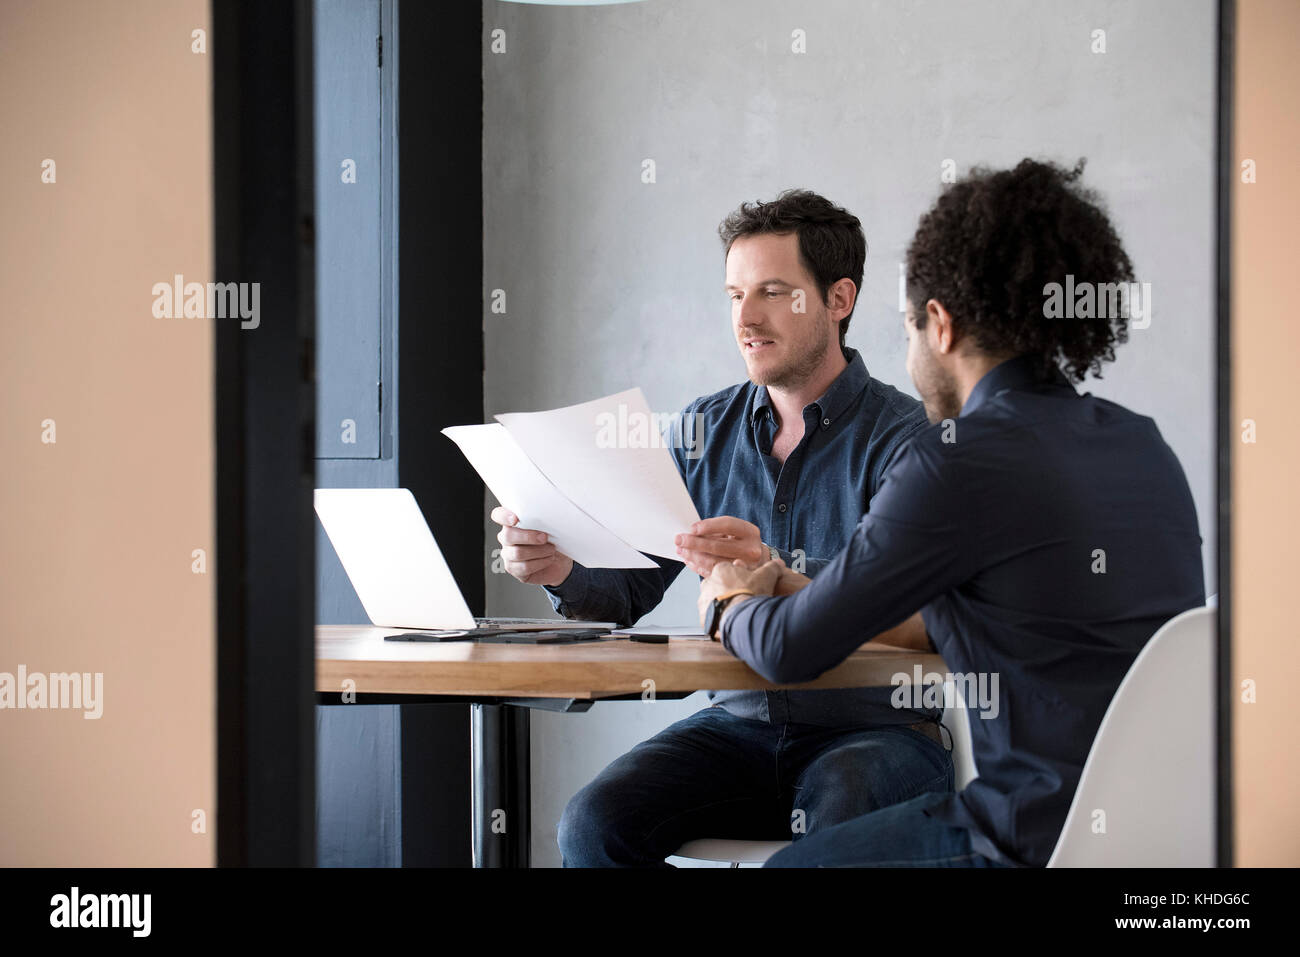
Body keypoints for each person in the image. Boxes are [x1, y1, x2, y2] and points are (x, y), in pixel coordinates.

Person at [699, 159, 1206, 868]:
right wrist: (785, 581)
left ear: (940, 324)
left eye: (908, 327)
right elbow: (997, 617)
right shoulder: (1142, 443)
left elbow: (789, 649)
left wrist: (727, 603)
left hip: (1023, 840)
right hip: (1169, 838)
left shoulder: (954, 460)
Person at [493, 189, 953, 867]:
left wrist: (775, 574)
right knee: (593, 824)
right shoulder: (704, 429)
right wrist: (558, 565)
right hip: (737, 729)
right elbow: (629, 589)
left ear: (838, 299)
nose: (746, 316)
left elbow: (922, 608)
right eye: (735, 293)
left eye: (772, 291)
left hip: (873, 731)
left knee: (842, 814)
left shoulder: (907, 439)